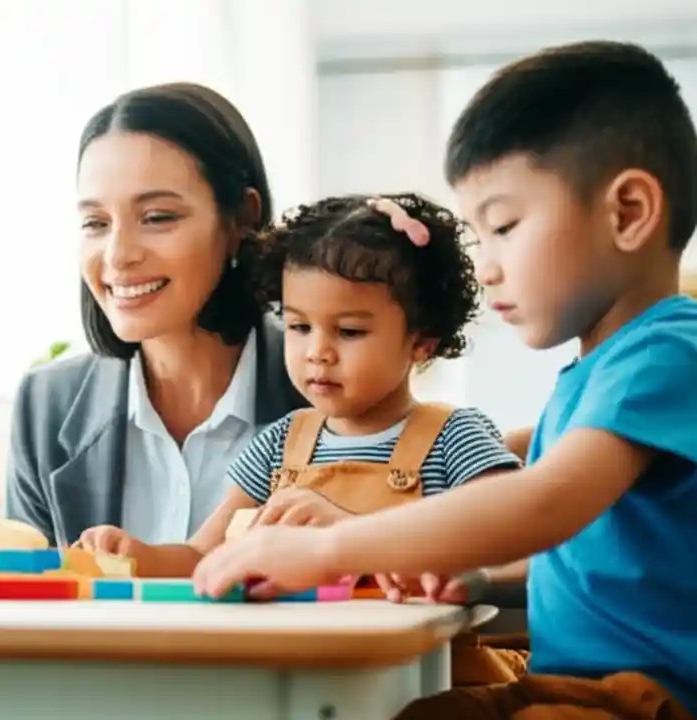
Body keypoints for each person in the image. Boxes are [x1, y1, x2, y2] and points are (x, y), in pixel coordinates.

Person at [192, 40, 697, 719]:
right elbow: (582, 563)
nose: (488, 268)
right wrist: (476, 575)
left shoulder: (664, 351)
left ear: (629, 212)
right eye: (479, 240)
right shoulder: (594, 375)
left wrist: (331, 548)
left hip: (639, 699)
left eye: (505, 228)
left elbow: (543, 506)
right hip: (566, 684)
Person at [77, 193, 521, 579]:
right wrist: (140, 555)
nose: (318, 352)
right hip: (302, 663)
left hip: (420, 669)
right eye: (299, 326)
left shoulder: (454, 440)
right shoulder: (279, 446)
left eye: (348, 332)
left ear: (422, 342)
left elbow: (514, 551)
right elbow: (201, 556)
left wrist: (351, 535)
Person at [4, 82, 308, 548]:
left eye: (158, 217)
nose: (119, 254)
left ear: (241, 220)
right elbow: (32, 604)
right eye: (96, 223)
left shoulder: (325, 388)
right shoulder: (47, 405)